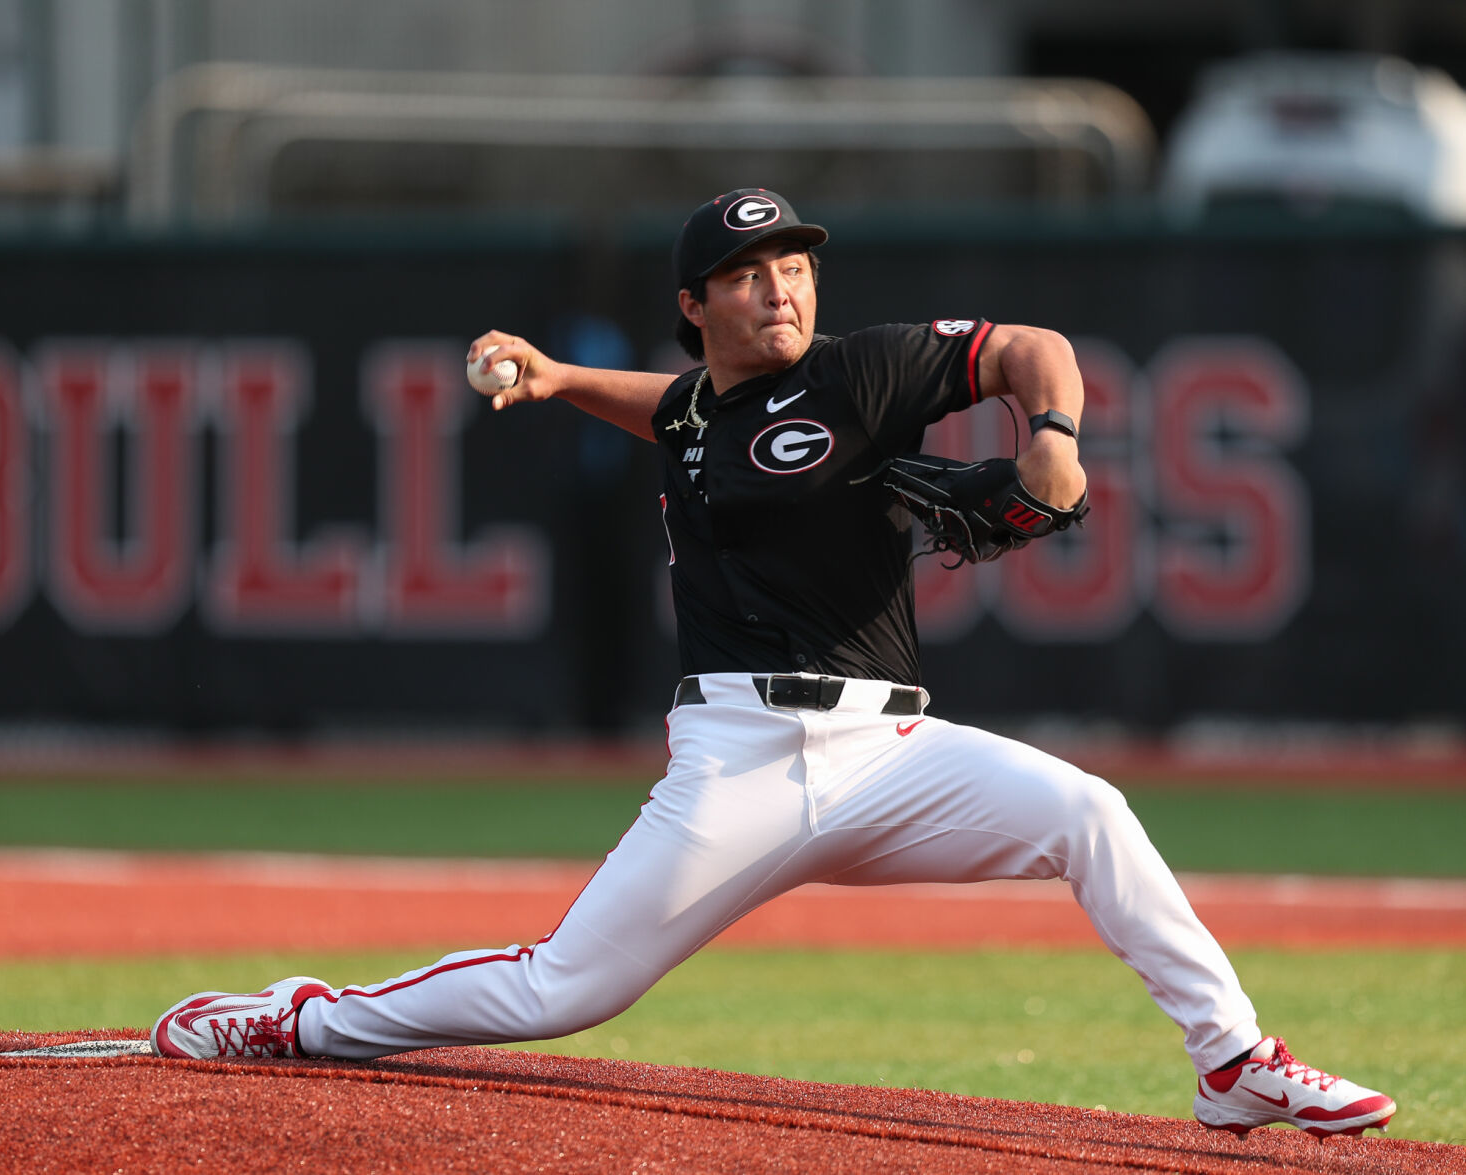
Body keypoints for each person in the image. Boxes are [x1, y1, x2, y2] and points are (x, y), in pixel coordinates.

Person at [152, 188, 1394, 1140]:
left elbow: (1032, 346)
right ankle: (305, 1016)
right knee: (559, 991)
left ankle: (1229, 1061)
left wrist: (1053, 435)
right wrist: (564, 377)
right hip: (739, 761)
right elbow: (678, 409)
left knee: (1089, 811)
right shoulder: (697, 410)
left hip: (892, 752)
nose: (777, 290)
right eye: (744, 275)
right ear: (696, 305)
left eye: (789, 266)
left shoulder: (862, 371)